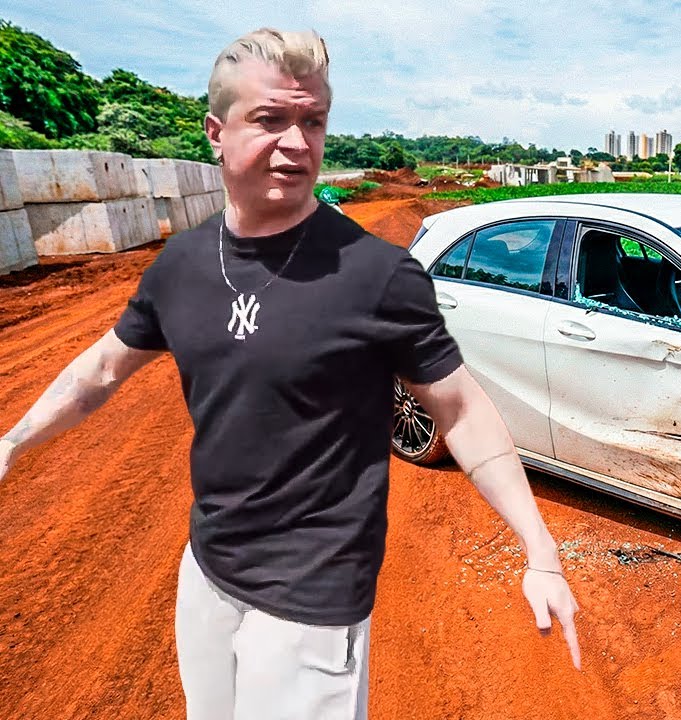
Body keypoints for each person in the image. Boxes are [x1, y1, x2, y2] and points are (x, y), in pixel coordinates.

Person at [0, 28, 579, 719]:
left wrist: (538, 548)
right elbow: (99, 371)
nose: (298, 143)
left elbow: (457, 408)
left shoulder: (377, 274)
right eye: (271, 119)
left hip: (317, 596)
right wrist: (11, 443)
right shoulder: (180, 266)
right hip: (209, 569)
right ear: (216, 131)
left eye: (314, 121)